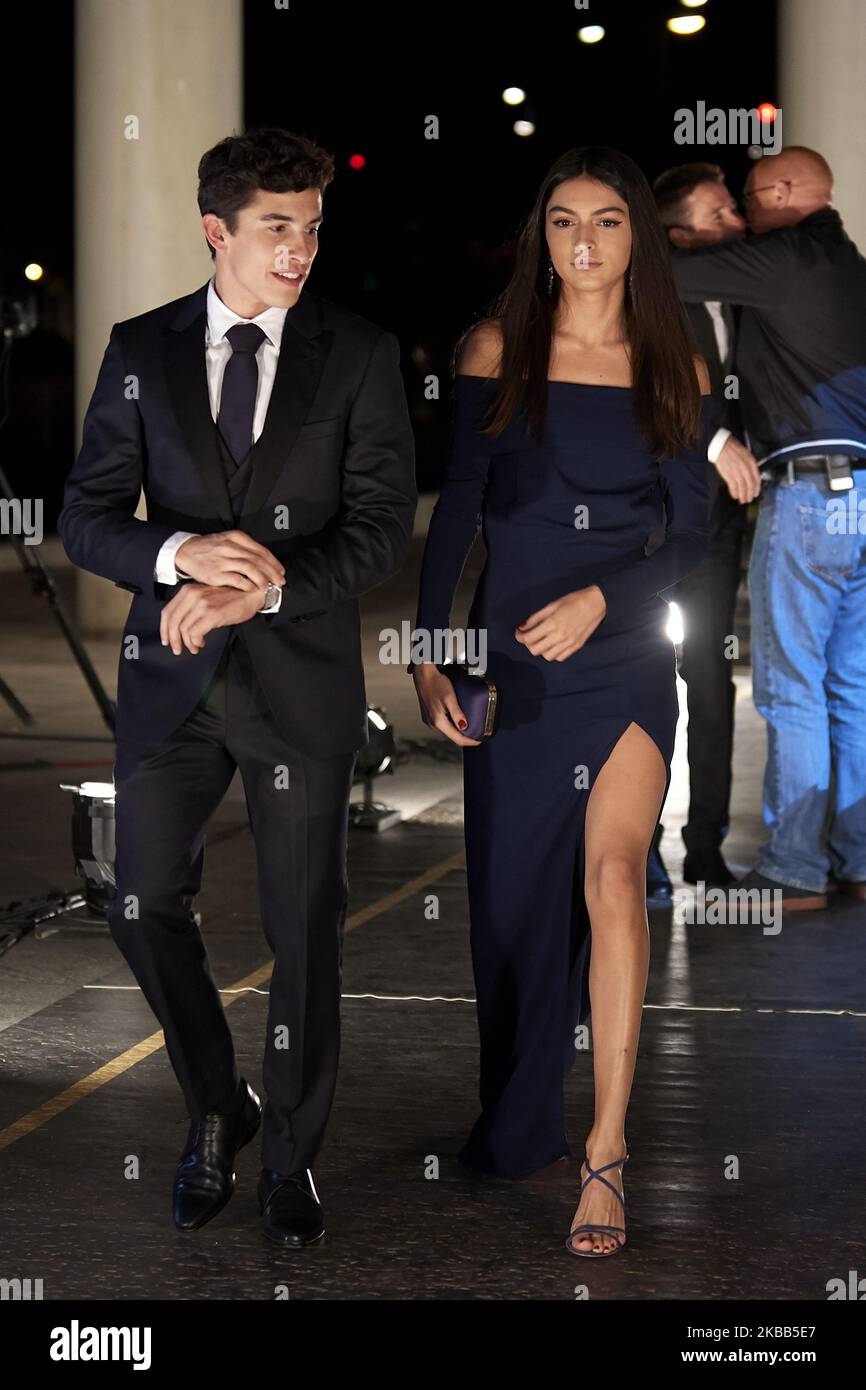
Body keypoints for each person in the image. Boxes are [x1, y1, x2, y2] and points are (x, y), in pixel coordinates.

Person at [58, 127, 417, 1244]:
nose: (299, 248)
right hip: (170, 691)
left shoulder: (356, 353)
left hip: (297, 689)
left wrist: (258, 588)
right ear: (217, 229)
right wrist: (177, 557)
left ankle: (291, 1162)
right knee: (138, 904)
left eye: (312, 227)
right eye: (277, 227)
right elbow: (85, 516)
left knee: (303, 932)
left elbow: (374, 532)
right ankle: (220, 1100)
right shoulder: (137, 348)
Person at [409, 147, 710, 1256]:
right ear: (540, 235)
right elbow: (457, 515)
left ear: (638, 238)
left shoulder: (674, 362)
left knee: (611, 876)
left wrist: (601, 594)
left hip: (622, 650)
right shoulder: (497, 349)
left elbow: (692, 539)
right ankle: (522, 1106)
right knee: (510, 914)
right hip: (509, 663)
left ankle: (607, 1150)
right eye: (561, 220)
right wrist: (435, 650)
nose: (582, 240)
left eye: (607, 221)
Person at [671, 146, 866, 911]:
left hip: (812, 498)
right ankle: (854, 857)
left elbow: (665, 274)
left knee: (790, 690)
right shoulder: (850, 265)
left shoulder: (785, 256)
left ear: (786, 193)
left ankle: (792, 868)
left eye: (747, 202)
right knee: (852, 689)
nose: (743, 220)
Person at [650, 162, 760, 891]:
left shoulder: (751, 294)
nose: (739, 225)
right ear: (680, 233)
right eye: (721, 215)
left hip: (721, 524)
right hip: (651, 523)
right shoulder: (647, 300)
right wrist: (717, 439)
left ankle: (708, 850)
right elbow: (653, 386)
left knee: (712, 682)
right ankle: (638, 852)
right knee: (645, 684)